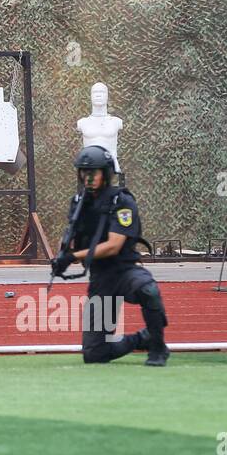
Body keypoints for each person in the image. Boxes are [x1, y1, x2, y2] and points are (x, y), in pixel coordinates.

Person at [51, 145, 170, 367]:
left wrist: (74, 256)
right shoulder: (78, 202)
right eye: (84, 172)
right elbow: (71, 237)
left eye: (94, 172)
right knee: (94, 355)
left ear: (106, 173)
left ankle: (158, 347)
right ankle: (143, 338)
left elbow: (114, 246)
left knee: (148, 290)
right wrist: (61, 258)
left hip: (124, 271)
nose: (88, 177)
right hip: (101, 279)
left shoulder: (121, 201)